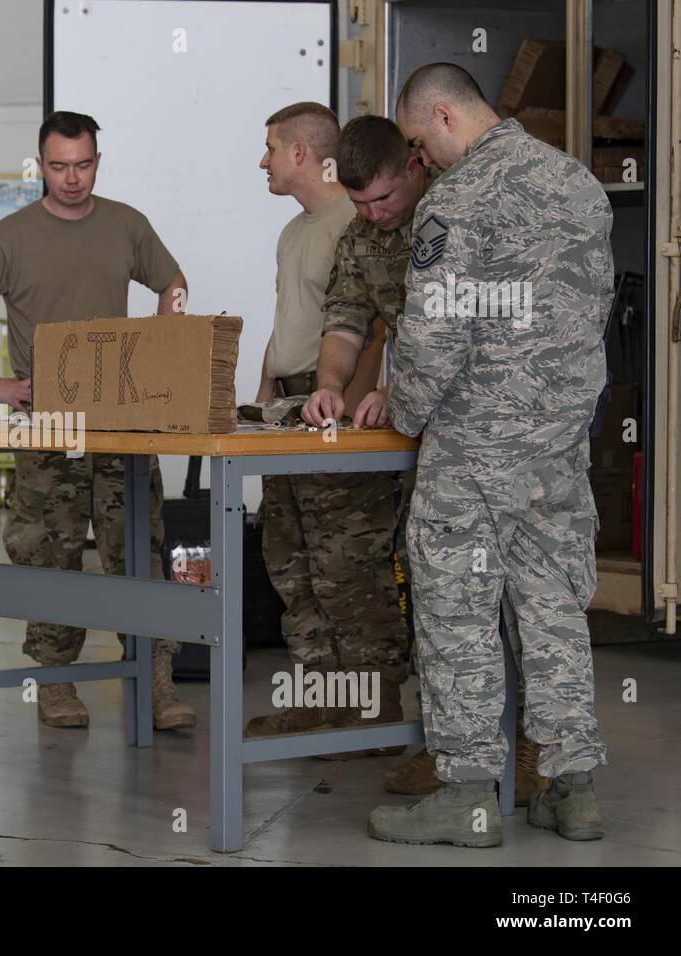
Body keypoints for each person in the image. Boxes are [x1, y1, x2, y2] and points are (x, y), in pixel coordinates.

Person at [368, 63, 611, 847]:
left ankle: (469, 796)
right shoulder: (578, 184)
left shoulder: (457, 201)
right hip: (558, 448)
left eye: (417, 142)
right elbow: (591, 315)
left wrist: (405, 411)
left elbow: (434, 339)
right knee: (554, 609)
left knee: (457, 612)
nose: (420, 159)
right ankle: (575, 791)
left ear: (444, 116)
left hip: (473, 451)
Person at [301, 115, 548, 799]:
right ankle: (451, 748)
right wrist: (331, 385)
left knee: (514, 594)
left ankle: (532, 750)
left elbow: (487, 328)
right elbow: (345, 320)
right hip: (430, 442)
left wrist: (402, 389)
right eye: (359, 203)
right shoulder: (362, 237)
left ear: (414, 166)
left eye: (383, 198)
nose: (374, 214)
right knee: (437, 598)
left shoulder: (460, 213)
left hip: (497, 428)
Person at [0, 111, 195, 730]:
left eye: (82, 165)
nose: (72, 179)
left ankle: (156, 682)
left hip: (121, 423)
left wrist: (164, 345)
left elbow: (174, 283)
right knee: (49, 550)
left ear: (97, 162)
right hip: (48, 425)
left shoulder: (126, 225)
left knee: (137, 549)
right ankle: (55, 683)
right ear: (40, 166)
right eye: (58, 167)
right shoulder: (12, 238)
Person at [246, 103, 408, 748]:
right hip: (290, 411)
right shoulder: (294, 232)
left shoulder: (357, 221)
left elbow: (368, 328)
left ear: (300, 153)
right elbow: (287, 325)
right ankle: (322, 700)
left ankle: (375, 708)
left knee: (349, 564)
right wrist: (261, 400)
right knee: (291, 561)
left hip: (335, 415)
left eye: (270, 148)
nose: (262, 161)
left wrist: (351, 412)